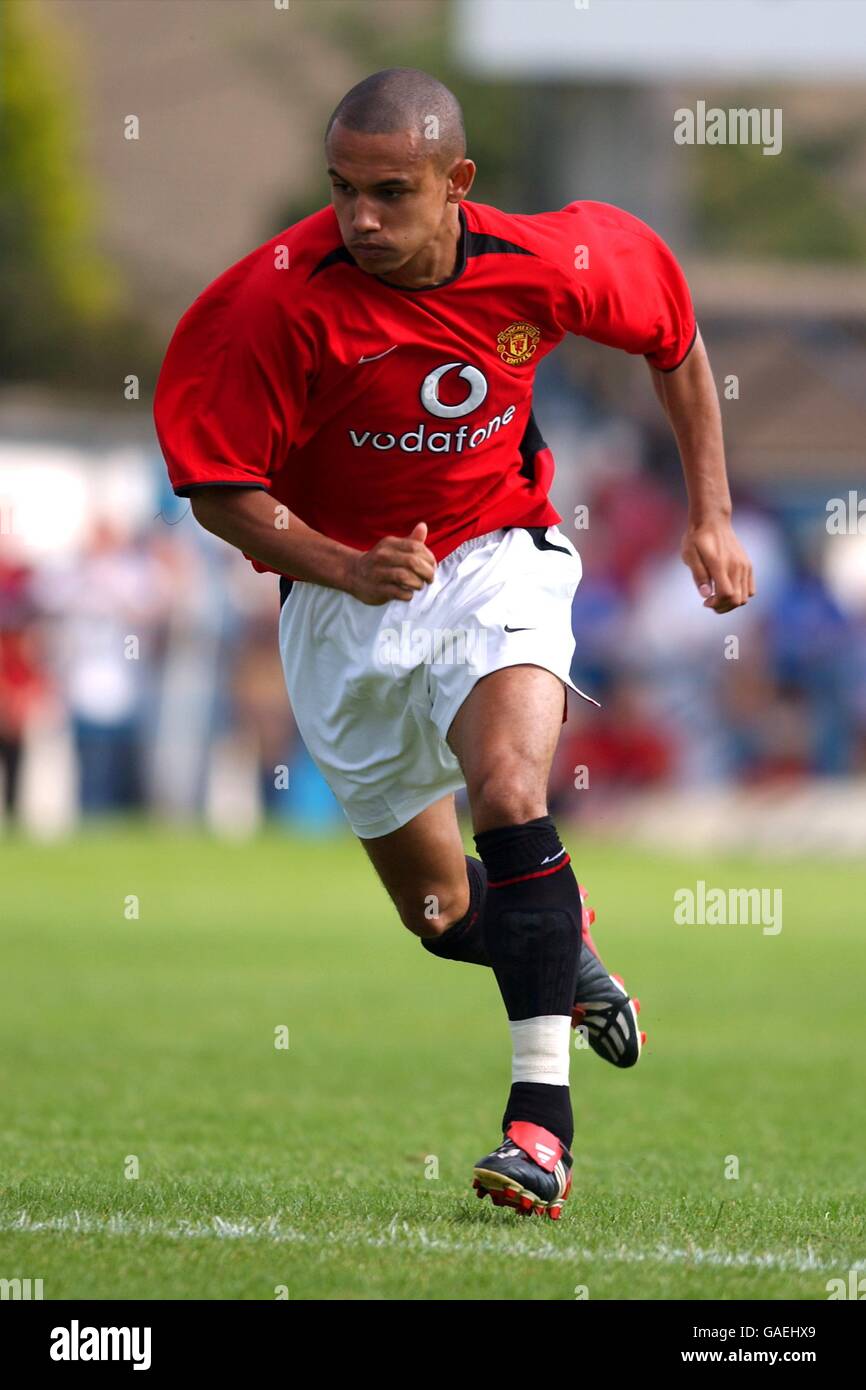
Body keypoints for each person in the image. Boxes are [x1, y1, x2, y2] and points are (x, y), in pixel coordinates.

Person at [154, 67, 755, 1220]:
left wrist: (709, 514)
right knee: (438, 918)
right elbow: (219, 489)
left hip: (496, 553)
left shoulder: (552, 262)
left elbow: (672, 338)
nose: (360, 218)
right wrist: (342, 564)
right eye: (342, 190)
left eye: (390, 192)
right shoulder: (270, 303)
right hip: (338, 599)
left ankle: (539, 1127)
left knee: (508, 789)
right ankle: (560, 948)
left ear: (457, 182)